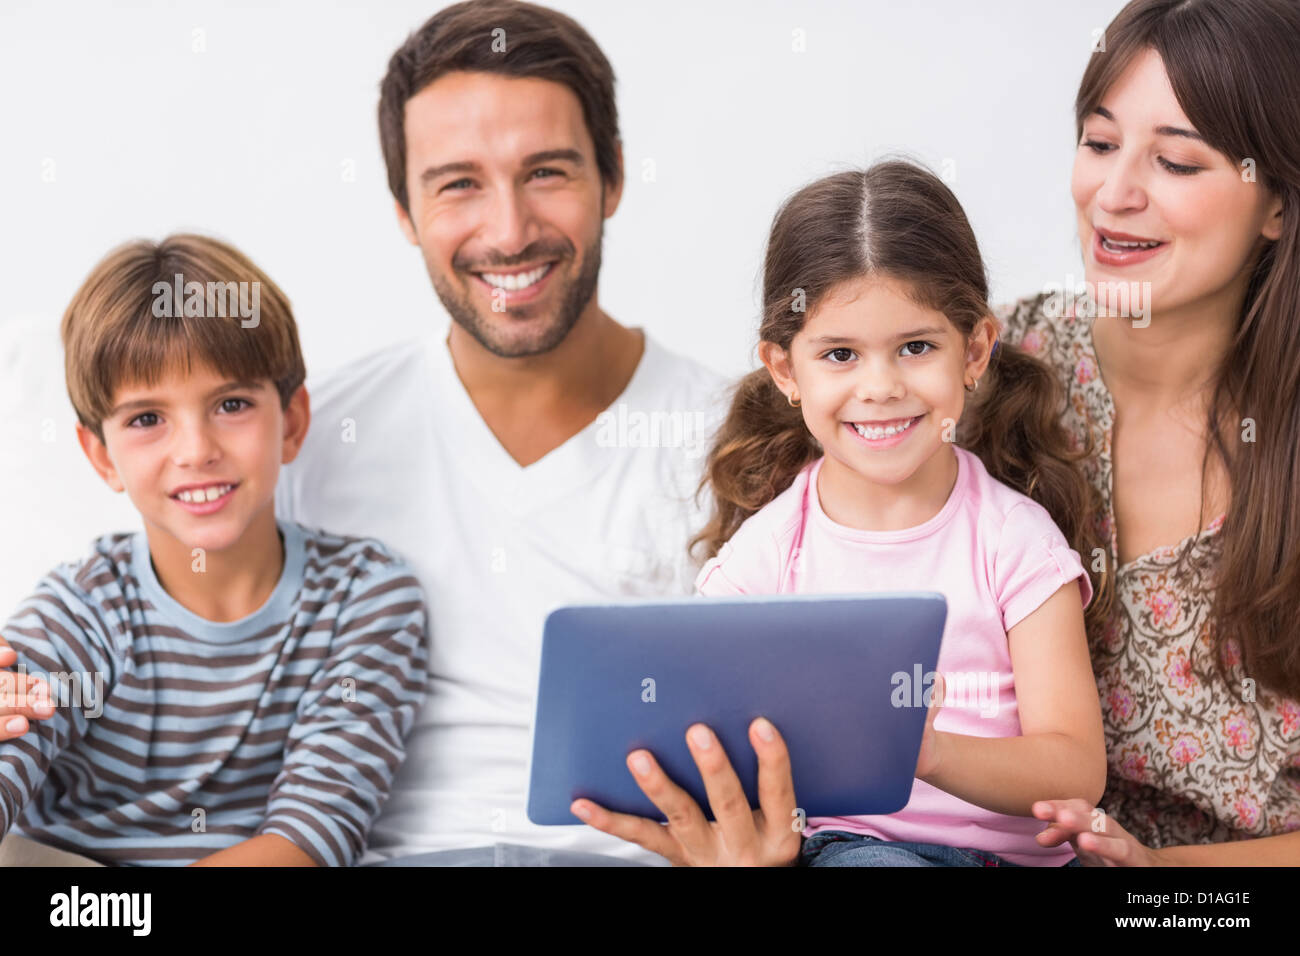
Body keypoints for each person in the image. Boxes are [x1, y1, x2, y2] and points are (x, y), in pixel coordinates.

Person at [273, 0, 726, 865]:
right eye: (458, 184)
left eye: (548, 172)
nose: (509, 230)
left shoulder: (742, 439)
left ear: (614, 177)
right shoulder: (306, 436)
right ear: (405, 210)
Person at [575, 161, 1106, 866]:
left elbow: (1074, 769)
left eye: (916, 347)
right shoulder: (764, 559)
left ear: (975, 350)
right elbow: (719, 749)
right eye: (840, 354)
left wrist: (929, 752)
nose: (880, 387)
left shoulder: (1014, 540)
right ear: (787, 370)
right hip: (855, 850)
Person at [0, 234, 428, 866]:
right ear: (101, 455)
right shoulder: (82, 609)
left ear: (292, 421)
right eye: (148, 419)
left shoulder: (365, 596)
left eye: (232, 404)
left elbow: (310, 840)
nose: (196, 449)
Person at [1017, 0, 1300, 864]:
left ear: (1278, 207)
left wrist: (1159, 879)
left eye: (1176, 161)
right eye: (1100, 144)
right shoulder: (989, 370)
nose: (1115, 194)